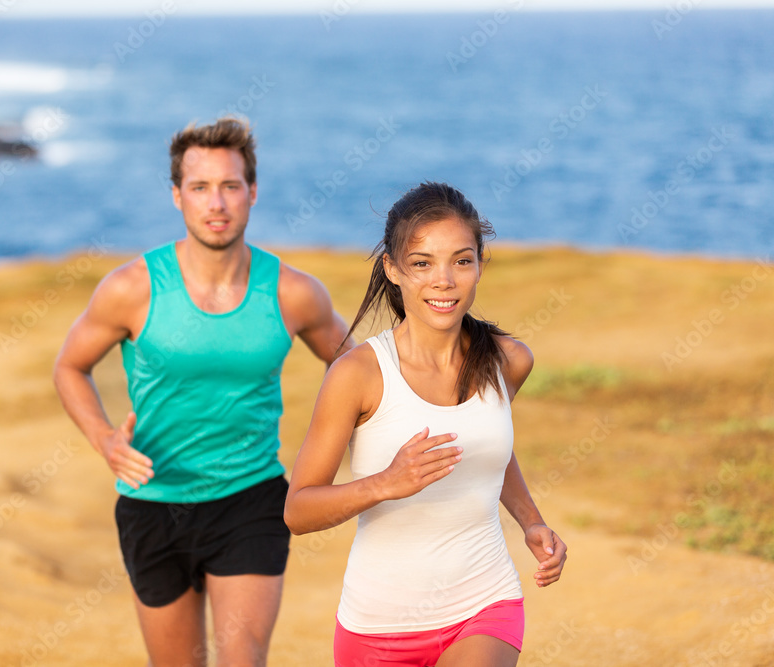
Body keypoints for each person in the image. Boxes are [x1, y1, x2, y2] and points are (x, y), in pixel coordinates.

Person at [53, 117, 352, 667]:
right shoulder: (131, 289)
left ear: (252, 191)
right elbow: (70, 367)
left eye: (230, 185)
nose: (216, 203)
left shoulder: (293, 293)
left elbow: (356, 370)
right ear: (177, 196)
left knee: (243, 658)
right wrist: (104, 439)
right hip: (153, 503)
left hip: (251, 497)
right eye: (200, 187)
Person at [283, 181, 567, 667]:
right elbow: (298, 511)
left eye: (462, 261)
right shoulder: (357, 375)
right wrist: (384, 483)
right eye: (422, 263)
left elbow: (488, 447)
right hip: (378, 626)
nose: (444, 280)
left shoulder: (509, 360)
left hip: (485, 602)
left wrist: (532, 520)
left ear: (480, 265)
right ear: (393, 269)